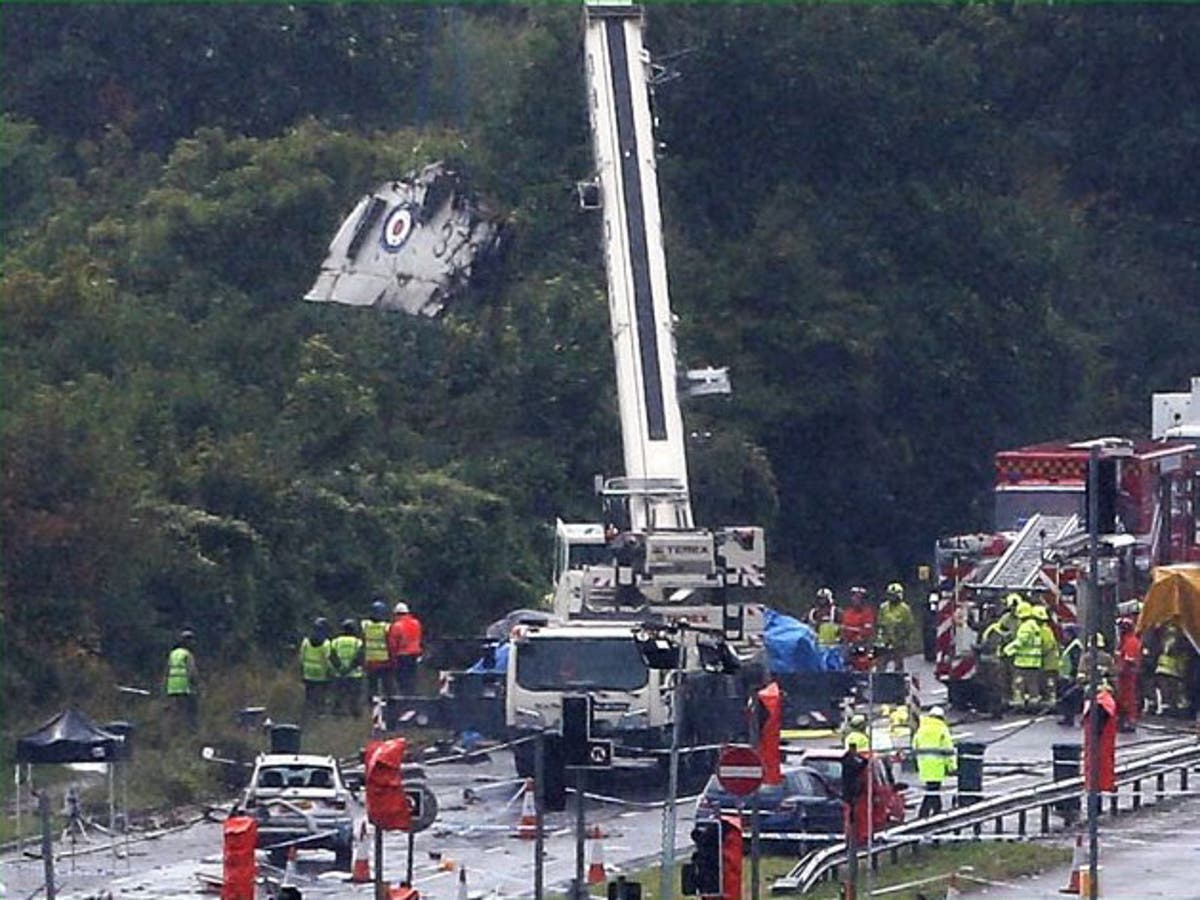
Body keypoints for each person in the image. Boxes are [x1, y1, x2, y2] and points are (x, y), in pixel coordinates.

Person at [911, 706, 956, 817]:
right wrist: (952, 766)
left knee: (932, 788)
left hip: (924, 763)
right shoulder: (942, 729)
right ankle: (926, 812)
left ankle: (935, 810)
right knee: (933, 789)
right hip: (937, 764)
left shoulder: (922, 728)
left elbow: (914, 745)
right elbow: (948, 749)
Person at [1002, 602, 1043, 710]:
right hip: (1035, 663)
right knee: (1033, 686)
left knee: (1019, 684)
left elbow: (1020, 641)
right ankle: (1033, 704)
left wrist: (1007, 650)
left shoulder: (1025, 627)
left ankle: (1018, 704)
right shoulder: (1035, 626)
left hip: (1023, 662)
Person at [876, 582, 916, 672]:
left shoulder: (905, 609)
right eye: (890, 595)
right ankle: (880, 681)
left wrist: (903, 638)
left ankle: (898, 682)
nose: (891, 597)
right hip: (885, 641)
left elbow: (909, 625)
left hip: (899, 642)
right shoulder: (883, 607)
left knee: (898, 663)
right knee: (881, 662)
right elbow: (880, 623)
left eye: (894, 595)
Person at [330, 618, 365, 718]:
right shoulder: (357, 642)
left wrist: (341, 668)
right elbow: (360, 658)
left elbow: (332, 657)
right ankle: (356, 718)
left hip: (339, 674)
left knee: (339, 697)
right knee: (355, 698)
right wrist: (350, 668)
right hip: (355, 675)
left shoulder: (335, 642)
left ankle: (337, 717)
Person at [299, 617, 333, 718]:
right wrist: (330, 671)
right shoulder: (326, 643)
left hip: (308, 672)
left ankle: (308, 711)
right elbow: (327, 660)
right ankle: (320, 712)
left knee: (309, 694)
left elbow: (301, 657)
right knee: (322, 694)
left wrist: (302, 669)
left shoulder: (305, 641)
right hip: (321, 674)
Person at [388, 600, 423, 695]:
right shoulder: (416, 623)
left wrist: (392, 659)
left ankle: (404, 699)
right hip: (415, 655)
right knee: (412, 679)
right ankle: (412, 697)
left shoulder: (396, 626)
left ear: (397, 614)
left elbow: (392, 644)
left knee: (402, 681)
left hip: (402, 656)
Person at [164, 629, 199, 726]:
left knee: (174, 711)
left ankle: (173, 729)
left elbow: (167, 670)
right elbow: (191, 671)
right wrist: (196, 684)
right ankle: (188, 730)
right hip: (184, 687)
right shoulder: (187, 654)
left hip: (172, 688)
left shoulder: (173, 654)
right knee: (189, 711)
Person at [1154, 623, 1189, 716]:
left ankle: (1172, 707)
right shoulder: (1172, 639)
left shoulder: (1175, 640)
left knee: (1171, 690)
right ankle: (1171, 707)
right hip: (1169, 669)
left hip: (1171, 669)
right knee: (1169, 690)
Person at [361, 598, 393, 701]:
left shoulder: (365, 625)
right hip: (384, 660)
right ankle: (389, 703)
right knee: (387, 686)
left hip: (370, 660)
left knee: (372, 686)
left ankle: (372, 705)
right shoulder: (386, 627)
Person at [1114, 617, 1141, 732]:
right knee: (1122, 698)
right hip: (1124, 675)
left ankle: (1129, 721)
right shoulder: (1125, 641)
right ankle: (1123, 720)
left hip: (1127, 676)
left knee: (1128, 698)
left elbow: (1129, 661)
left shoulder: (1131, 642)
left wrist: (1119, 671)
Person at [1056, 622, 1084, 726]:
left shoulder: (1075, 647)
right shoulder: (1069, 646)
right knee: (1066, 698)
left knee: (1069, 699)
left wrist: (1073, 675)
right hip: (1065, 676)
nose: (1064, 636)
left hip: (1070, 678)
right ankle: (1067, 717)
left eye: (1066, 633)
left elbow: (1075, 662)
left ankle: (1069, 718)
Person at [1034, 605, 1059, 705]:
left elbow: (1048, 645)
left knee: (1049, 681)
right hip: (1044, 662)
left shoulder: (1045, 630)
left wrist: (1037, 652)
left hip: (1049, 662)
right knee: (1045, 681)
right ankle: (1048, 699)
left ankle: (1051, 700)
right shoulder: (1042, 629)